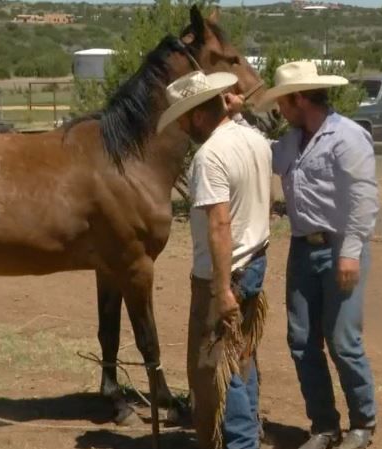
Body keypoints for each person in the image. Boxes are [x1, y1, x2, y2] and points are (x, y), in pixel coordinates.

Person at [226, 60, 379, 449]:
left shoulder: (348, 137)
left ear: (298, 99)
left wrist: (350, 253)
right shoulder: (295, 140)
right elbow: (266, 156)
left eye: (282, 102)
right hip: (302, 250)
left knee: (343, 340)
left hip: (341, 247)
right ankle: (324, 425)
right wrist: (237, 119)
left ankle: (363, 422)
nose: (279, 110)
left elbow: (363, 200)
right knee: (301, 340)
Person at [157, 70, 272, 449]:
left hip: (225, 275)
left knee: (218, 369)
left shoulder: (209, 156)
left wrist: (221, 290)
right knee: (242, 356)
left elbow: (220, 225)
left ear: (198, 115)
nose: (184, 127)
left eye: (185, 118)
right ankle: (248, 436)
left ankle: (239, 443)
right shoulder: (254, 140)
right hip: (254, 262)